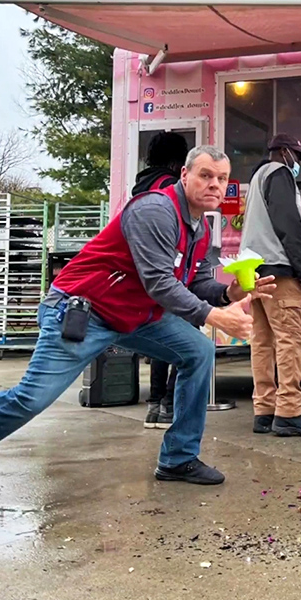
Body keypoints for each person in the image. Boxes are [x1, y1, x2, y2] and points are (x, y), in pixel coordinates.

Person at [0, 146, 276, 485]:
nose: (215, 184)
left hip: (134, 315)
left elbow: (197, 281)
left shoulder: (200, 227)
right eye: (205, 175)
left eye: (222, 178)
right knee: (32, 399)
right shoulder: (155, 210)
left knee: (198, 351)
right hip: (84, 310)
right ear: (185, 176)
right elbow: (159, 282)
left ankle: (178, 458)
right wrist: (214, 315)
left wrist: (230, 294)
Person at [239, 133, 301, 438]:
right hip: (278, 269)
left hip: (253, 269)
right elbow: (289, 225)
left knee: (262, 342)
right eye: (297, 157)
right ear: (285, 152)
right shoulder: (279, 173)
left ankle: (264, 410)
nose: (298, 163)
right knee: (291, 339)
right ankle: (289, 411)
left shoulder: (258, 177)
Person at [132, 131, 189, 430]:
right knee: (184, 341)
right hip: (168, 274)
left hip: (145, 275)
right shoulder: (168, 187)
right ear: (177, 161)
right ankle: (168, 404)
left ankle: (155, 405)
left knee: (161, 340)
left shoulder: (141, 185)